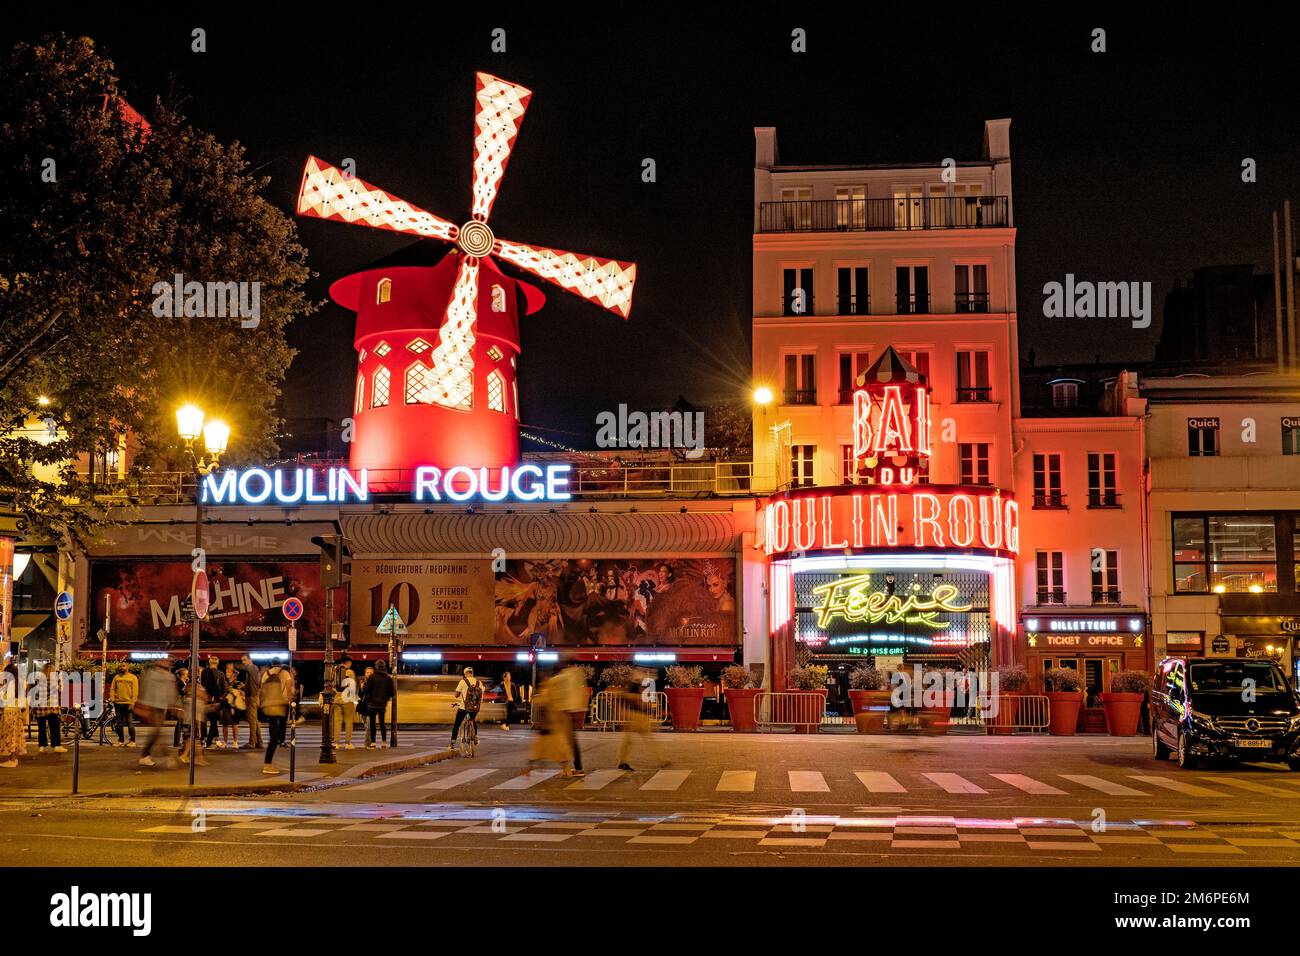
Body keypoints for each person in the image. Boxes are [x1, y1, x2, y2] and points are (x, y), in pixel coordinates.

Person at [616, 667, 665, 772]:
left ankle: (622, 761)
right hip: (637, 716)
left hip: (634, 716)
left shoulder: (634, 688)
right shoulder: (637, 688)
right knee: (647, 739)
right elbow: (640, 701)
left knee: (629, 740)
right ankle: (661, 759)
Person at [138, 658, 178, 768]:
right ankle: (158, 755)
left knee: (158, 732)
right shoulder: (151, 674)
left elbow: (171, 692)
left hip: (161, 707)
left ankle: (147, 755)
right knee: (157, 731)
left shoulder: (169, 676)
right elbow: (145, 690)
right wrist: (143, 705)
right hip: (153, 706)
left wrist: (172, 705)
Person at [553, 664, 587, 778]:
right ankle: (577, 767)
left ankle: (570, 769)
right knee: (571, 741)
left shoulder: (565, 676)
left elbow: (555, 685)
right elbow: (583, 693)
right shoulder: (578, 674)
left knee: (565, 741)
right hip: (574, 710)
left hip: (565, 712)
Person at [259, 661, 291, 774]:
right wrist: (290, 700)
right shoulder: (285, 673)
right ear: (281, 664)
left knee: (274, 735)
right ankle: (267, 765)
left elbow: (261, 689)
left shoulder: (266, 674)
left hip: (268, 706)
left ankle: (269, 763)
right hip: (280, 705)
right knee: (274, 737)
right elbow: (289, 689)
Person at [0, 654, 27, 768]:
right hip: (16, 712)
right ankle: (13, 758)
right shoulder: (20, 683)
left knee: (10, 735)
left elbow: (4, 698)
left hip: (9, 712)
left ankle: (12, 760)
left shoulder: (10, 684)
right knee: (15, 735)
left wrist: (1, 691)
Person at [33, 662, 66, 754]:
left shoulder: (38, 680)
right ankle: (56, 746)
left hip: (40, 708)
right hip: (52, 707)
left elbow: (35, 694)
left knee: (42, 728)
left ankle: (42, 746)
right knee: (54, 728)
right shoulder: (55, 680)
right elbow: (60, 691)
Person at [449, 666, 484, 750]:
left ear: (465, 674)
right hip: (475, 707)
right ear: (472, 673)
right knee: (472, 720)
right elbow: (481, 696)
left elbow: (456, 695)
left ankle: (452, 743)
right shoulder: (479, 682)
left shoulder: (463, 681)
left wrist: (457, 695)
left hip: (463, 707)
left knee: (457, 724)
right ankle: (475, 737)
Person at [363, 660, 395, 749]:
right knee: (382, 723)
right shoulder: (388, 678)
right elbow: (392, 692)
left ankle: (373, 742)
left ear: (376, 667)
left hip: (372, 704)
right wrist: (385, 699)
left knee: (373, 724)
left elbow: (366, 690)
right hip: (382, 704)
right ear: (384, 667)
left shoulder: (372, 677)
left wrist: (370, 696)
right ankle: (384, 741)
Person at [109, 663, 138, 747]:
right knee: (119, 724)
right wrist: (113, 699)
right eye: (121, 666)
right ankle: (120, 740)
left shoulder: (133, 677)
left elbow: (135, 691)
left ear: (127, 667)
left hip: (128, 703)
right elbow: (112, 689)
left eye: (123, 666)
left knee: (130, 723)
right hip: (118, 703)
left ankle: (133, 741)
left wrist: (133, 703)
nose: (122, 667)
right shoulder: (116, 677)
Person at [199, 656, 226, 748]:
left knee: (203, 720)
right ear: (217, 663)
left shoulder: (203, 672)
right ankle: (209, 742)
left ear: (209, 662)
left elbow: (202, 685)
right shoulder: (221, 674)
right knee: (214, 722)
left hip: (204, 699)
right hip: (215, 700)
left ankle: (203, 738)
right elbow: (223, 689)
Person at [239, 654, 263, 749]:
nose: (243, 662)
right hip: (253, 697)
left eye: (245, 660)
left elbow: (245, 668)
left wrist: (233, 665)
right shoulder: (253, 671)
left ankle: (252, 742)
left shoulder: (252, 668)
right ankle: (259, 742)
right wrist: (244, 687)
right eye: (242, 661)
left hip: (252, 698)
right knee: (254, 721)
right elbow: (254, 685)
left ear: (250, 660)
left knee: (252, 721)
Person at [220, 663, 245, 749]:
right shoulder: (224, 683)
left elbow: (241, 693)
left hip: (234, 706)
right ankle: (225, 742)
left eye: (229, 672)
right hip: (225, 705)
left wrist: (234, 690)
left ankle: (235, 742)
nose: (227, 674)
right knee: (225, 724)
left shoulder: (238, 683)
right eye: (226, 672)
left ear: (233, 674)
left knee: (235, 724)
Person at [335, 662, 358, 749]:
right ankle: (347, 743)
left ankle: (336, 743)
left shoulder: (334, 670)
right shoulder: (350, 672)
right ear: (348, 663)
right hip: (347, 700)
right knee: (348, 722)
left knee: (337, 722)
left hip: (336, 700)